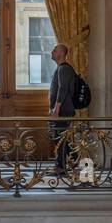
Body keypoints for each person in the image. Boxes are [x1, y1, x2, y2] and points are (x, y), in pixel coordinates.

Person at [49, 43, 77, 174]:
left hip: (63, 111)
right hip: (61, 111)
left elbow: (63, 89)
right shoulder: (61, 68)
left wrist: (56, 109)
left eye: (54, 50)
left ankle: (61, 166)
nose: (51, 52)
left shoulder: (64, 69)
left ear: (60, 53)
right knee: (60, 138)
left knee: (60, 138)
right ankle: (69, 162)